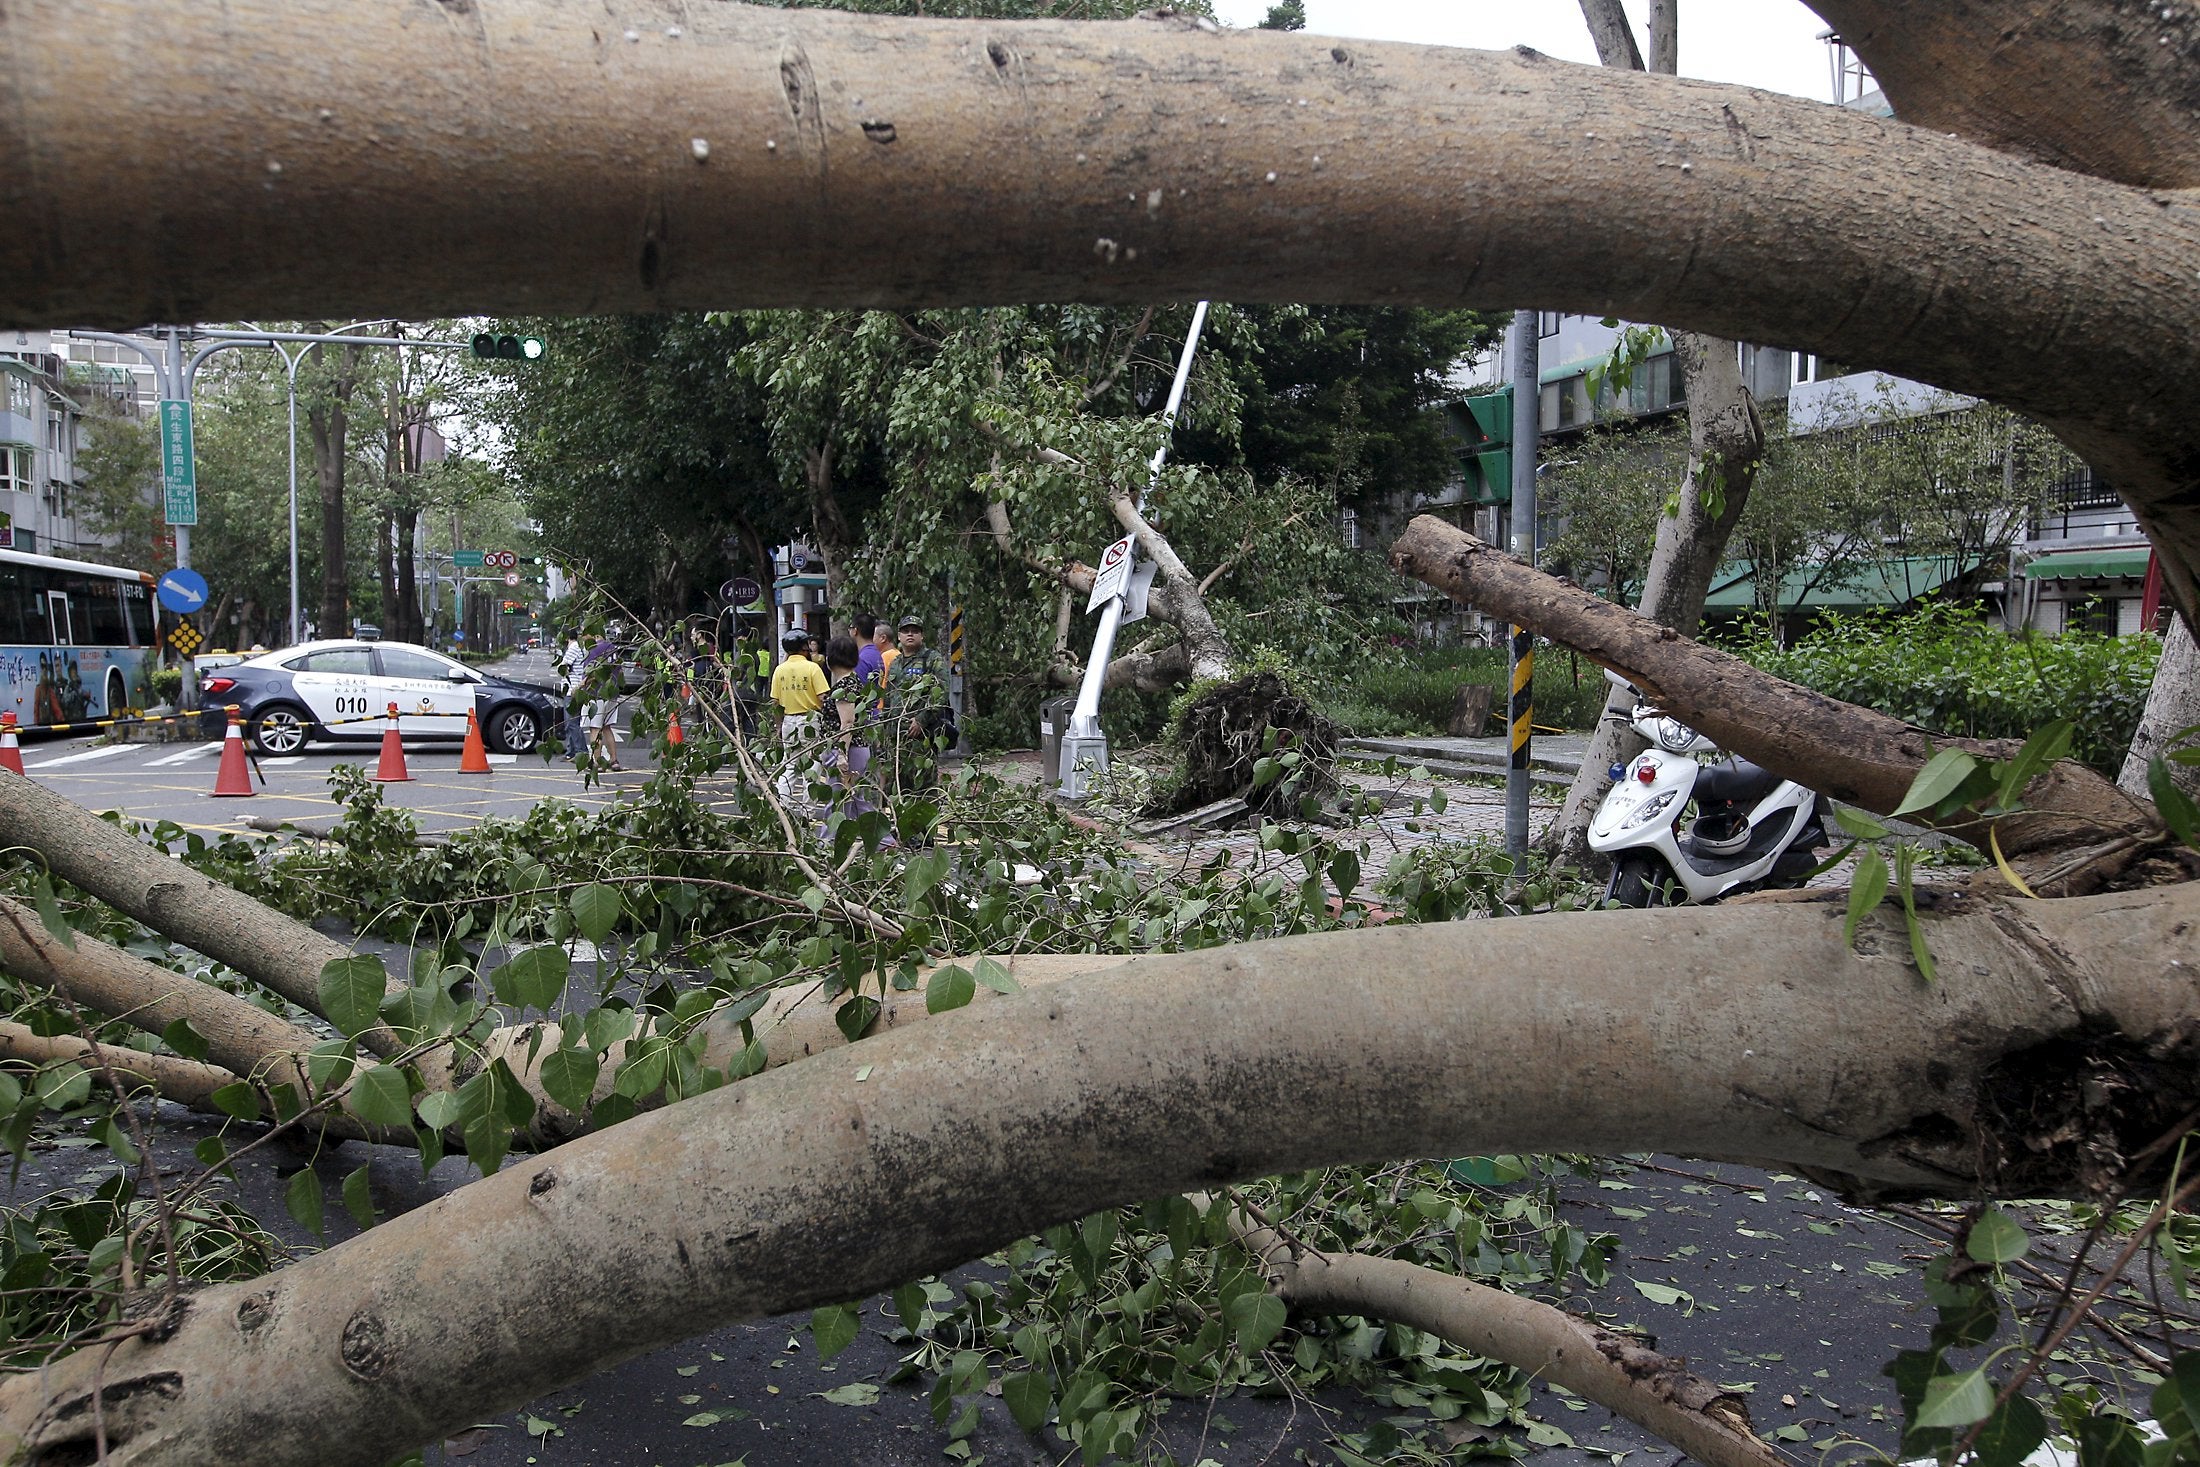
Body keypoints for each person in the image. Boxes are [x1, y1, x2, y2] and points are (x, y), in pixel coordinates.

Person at [883, 612, 953, 791]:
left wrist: (922, 720)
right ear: (899, 636)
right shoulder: (896, 662)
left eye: (915, 631)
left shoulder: (932, 659)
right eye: (906, 631)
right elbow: (888, 695)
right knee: (899, 787)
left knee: (924, 786)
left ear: (922, 635)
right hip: (897, 738)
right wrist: (885, 728)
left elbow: (941, 692)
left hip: (922, 738)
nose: (910, 634)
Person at [819, 635, 878, 834]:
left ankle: (829, 843)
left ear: (830, 659)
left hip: (847, 750)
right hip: (855, 749)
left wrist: (841, 755)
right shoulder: (853, 682)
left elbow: (847, 723)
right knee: (856, 799)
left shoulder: (844, 687)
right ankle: (881, 841)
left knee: (839, 800)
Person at [769, 628, 828, 803]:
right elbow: (823, 697)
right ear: (804, 647)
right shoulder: (813, 668)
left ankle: (783, 805)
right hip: (810, 720)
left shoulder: (780, 670)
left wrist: (778, 727)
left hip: (788, 721)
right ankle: (807, 811)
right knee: (812, 767)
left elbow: (775, 703)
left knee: (790, 765)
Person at [579, 633, 623, 771]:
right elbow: (619, 672)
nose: (583, 638)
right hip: (612, 692)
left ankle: (597, 762)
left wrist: (579, 687)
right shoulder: (613, 648)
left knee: (595, 728)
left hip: (596, 693)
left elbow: (591, 674)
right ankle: (614, 760)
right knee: (607, 727)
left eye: (585, 634)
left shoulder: (593, 650)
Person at [558, 635, 587, 759]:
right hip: (577, 690)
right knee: (570, 722)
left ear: (566, 638)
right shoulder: (581, 647)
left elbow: (563, 667)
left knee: (571, 723)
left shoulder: (574, 647)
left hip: (572, 690)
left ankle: (582, 752)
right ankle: (571, 752)